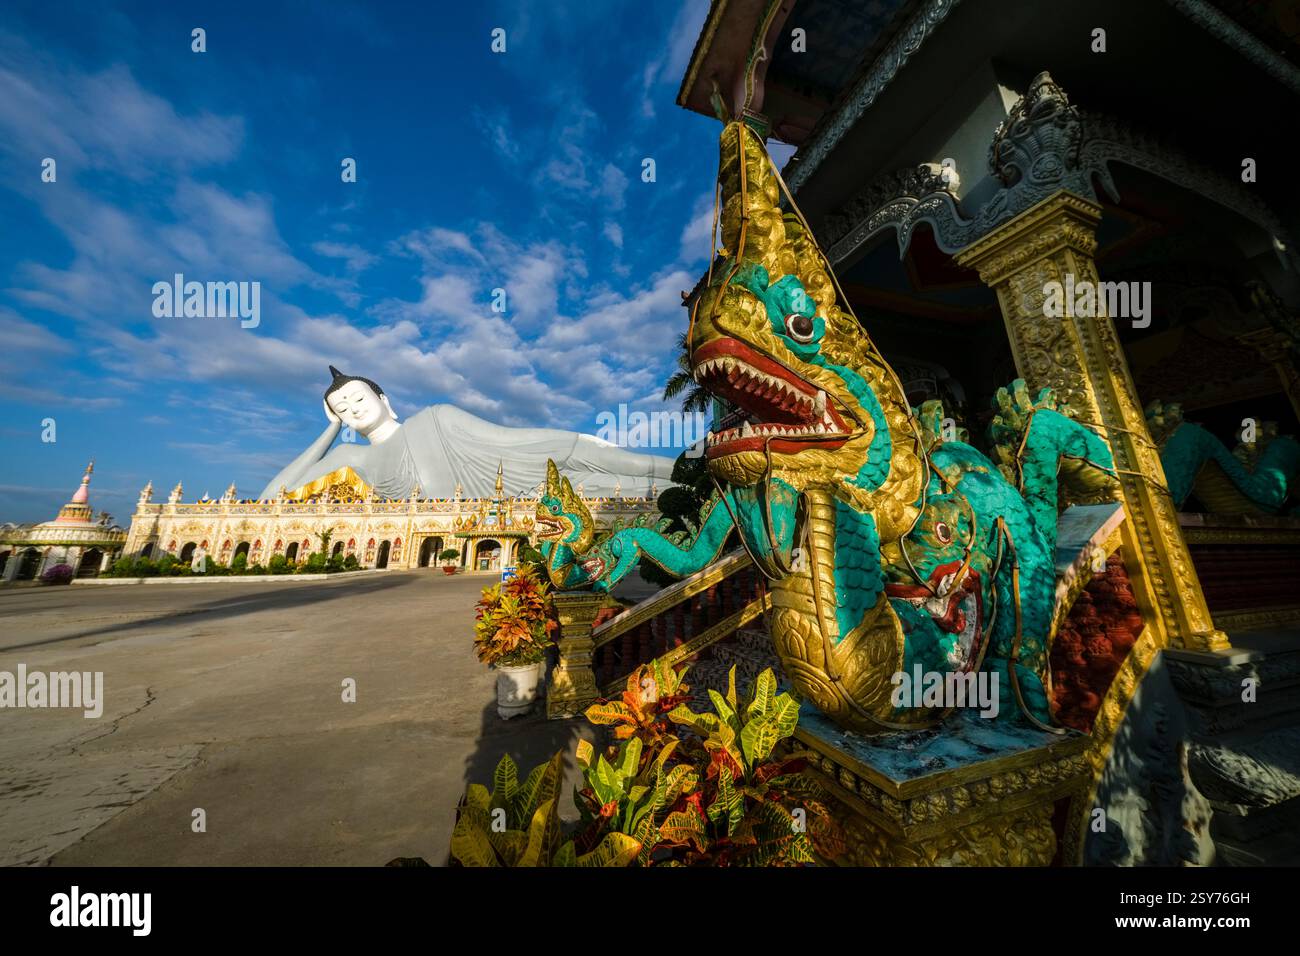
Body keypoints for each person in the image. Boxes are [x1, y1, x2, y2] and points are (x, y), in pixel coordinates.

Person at [257, 366, 675, 500]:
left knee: (624, 461)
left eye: (358, 397)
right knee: (626, 490)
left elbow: (505, 438)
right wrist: (329, 429)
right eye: (342, 409)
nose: (352, 408)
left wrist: (577, 440)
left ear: (385, 398)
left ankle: (698, 464)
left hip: (521, 466)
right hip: (519, 501)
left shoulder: (435, 417)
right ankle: (702, 486)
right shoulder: (356, 459)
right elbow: (270, 500)